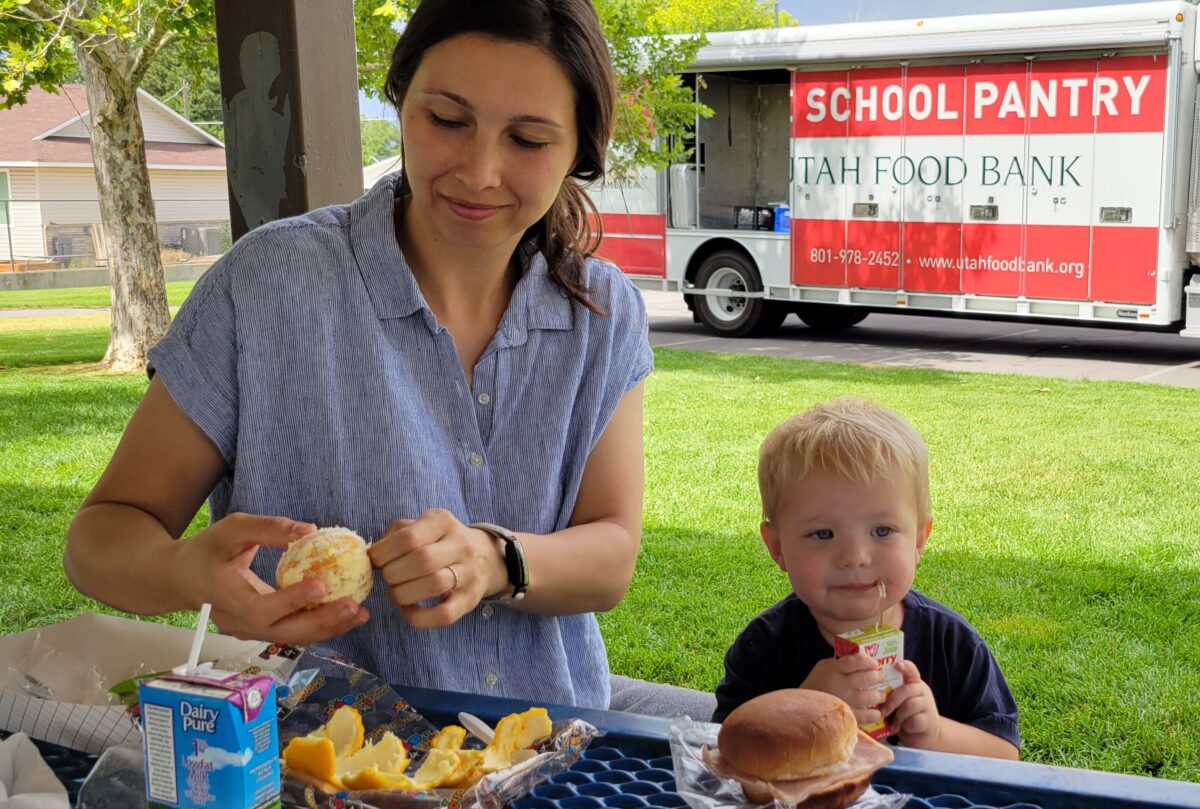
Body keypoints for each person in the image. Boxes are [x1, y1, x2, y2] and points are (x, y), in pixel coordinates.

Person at [63, 0, 694, 715]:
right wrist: (182, 570)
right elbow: (100, 536)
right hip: (311, 760)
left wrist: (495, 559)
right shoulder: (269, 283)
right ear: (399, 102)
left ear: (579, 149)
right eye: (447, 121)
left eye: (527, 138)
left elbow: (610, 553)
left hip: (544, 750)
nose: (480, 171)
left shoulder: (601, 311)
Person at [713, 398, 1020, 759]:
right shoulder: (764, 647)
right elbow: (727, 747)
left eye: (882, 530)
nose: (855, 557)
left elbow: (1005, 754)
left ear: (919, 540)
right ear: (777, 547)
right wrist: (802, 706)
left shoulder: (951, 644)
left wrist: (934, 733)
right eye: (823, 534)